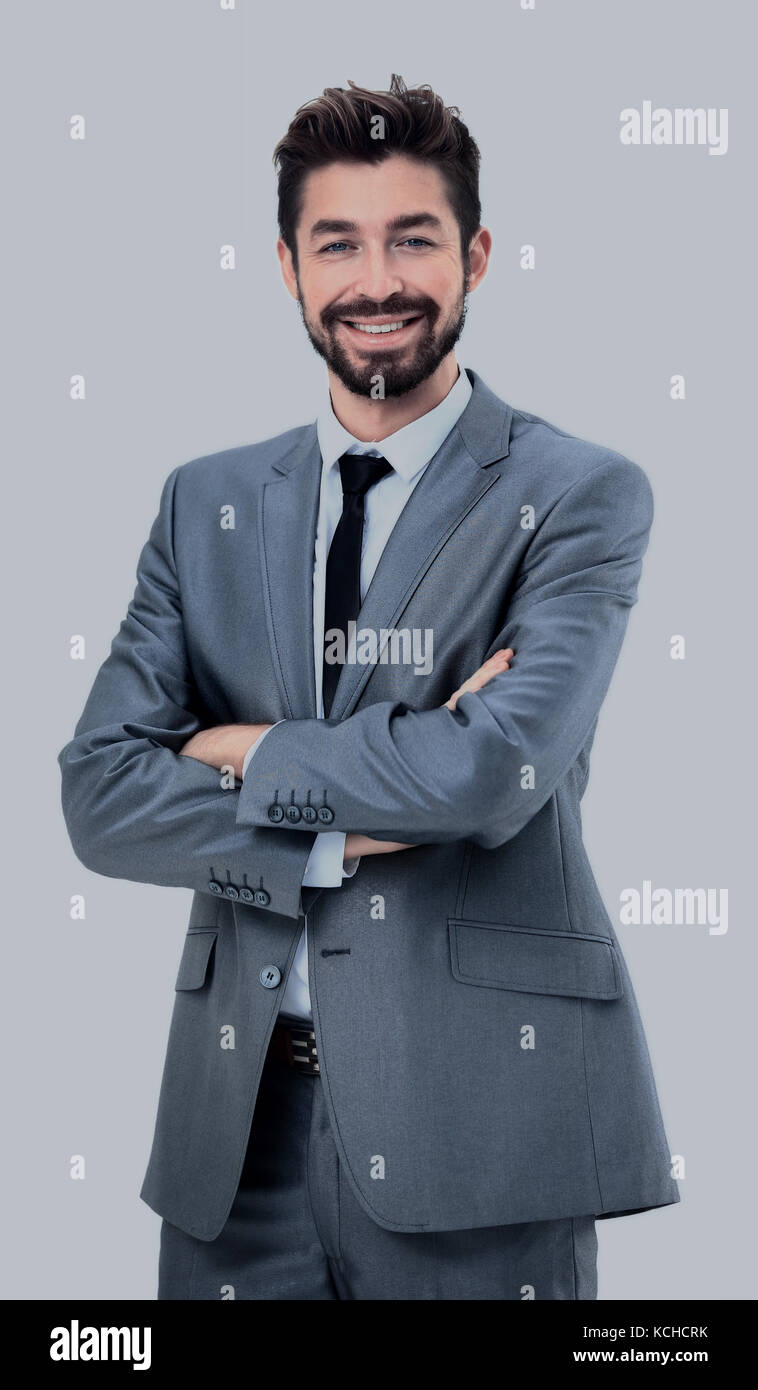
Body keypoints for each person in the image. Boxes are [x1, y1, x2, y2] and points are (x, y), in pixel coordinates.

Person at [58, 75, 680, 1301]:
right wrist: (342, 832)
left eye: (413, 238)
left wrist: (234, 746)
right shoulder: (205, 503)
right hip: (232, 1145)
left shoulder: (576, 494)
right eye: (337, 242)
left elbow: (493, 771)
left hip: (482, 1133)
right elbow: (99, 796)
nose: (375, 281)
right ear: (287, 266)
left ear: (477, 255)